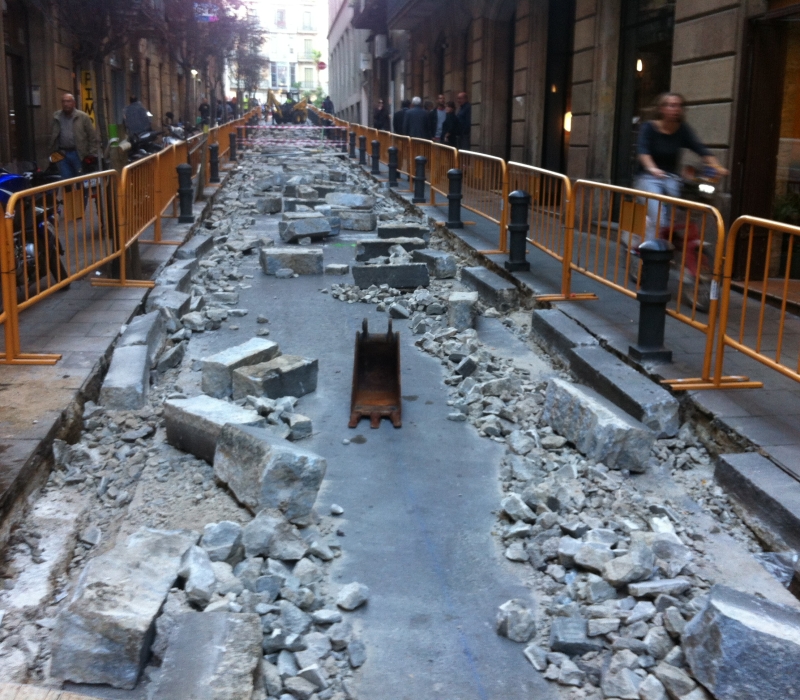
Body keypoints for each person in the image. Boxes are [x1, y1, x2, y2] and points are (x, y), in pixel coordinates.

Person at [636, 92, 728, 242]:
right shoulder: (649, 128)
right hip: (648, 178)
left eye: (679, 106)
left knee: (679, 210)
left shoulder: (682, 130)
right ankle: (650, 253)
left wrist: (717, 166)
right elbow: (643, 152)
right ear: (662, 109)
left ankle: (668, 240)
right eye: (672, 105)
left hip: (670, 177)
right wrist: (653, 168)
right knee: (658, 215)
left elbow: (701, 149)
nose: (676, 109)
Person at [49, 92, 100, 180]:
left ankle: (82, 194)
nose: (65, 104)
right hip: (62, 154)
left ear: (74, 103)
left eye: (68, 101)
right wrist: (52, 152)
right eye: (63, 101)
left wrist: (92, 153)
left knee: (81, 179)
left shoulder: (83, 117)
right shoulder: (57, 116)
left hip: (78, 153)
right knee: (66, 181)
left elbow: (92, 136)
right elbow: (53, 135)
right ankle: (70, 193)